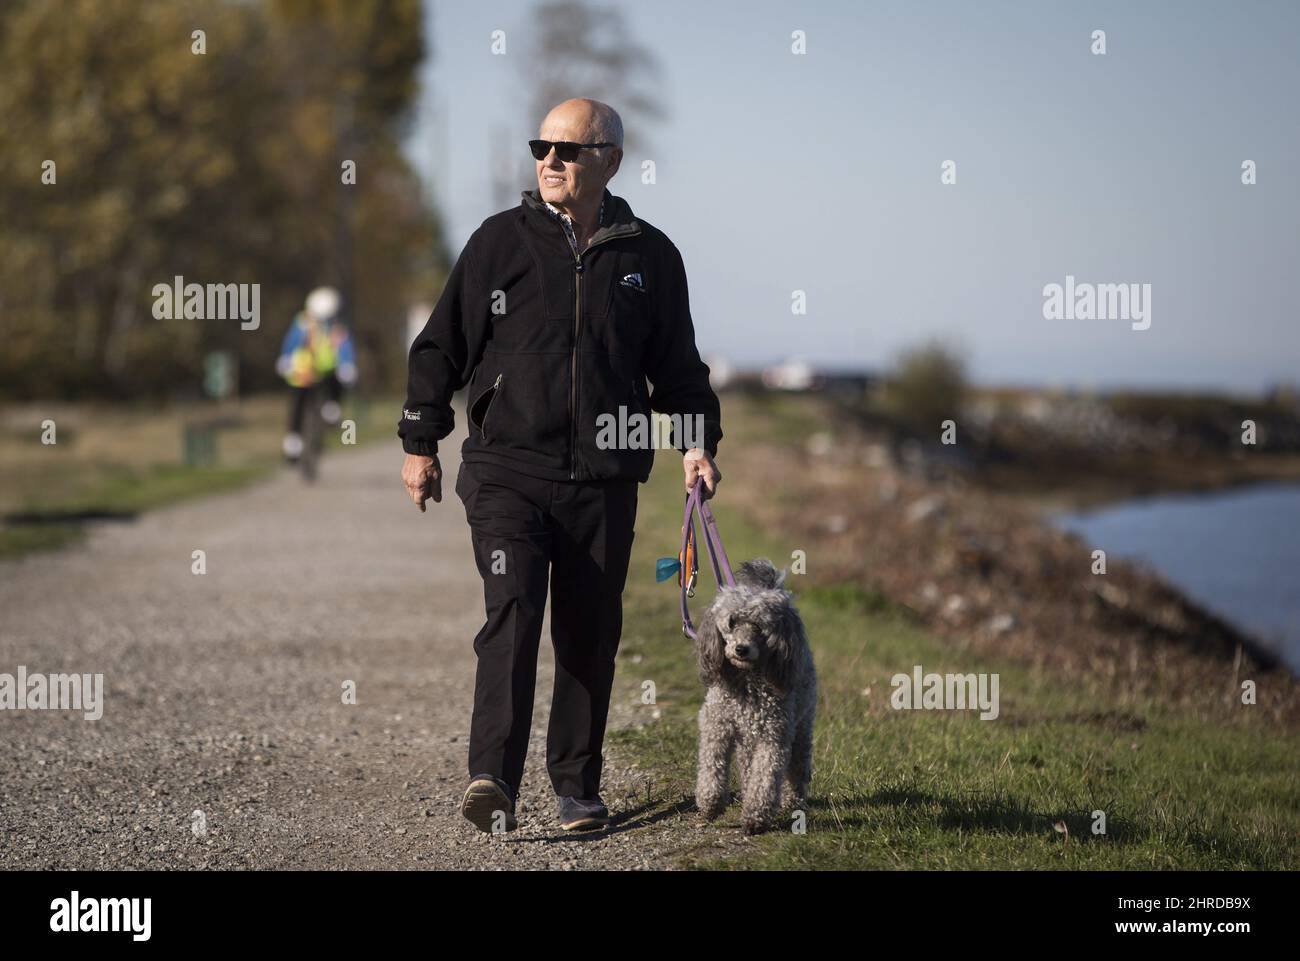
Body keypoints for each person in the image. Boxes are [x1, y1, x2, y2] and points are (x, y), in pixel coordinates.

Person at [399, 98, 723, 833]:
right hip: (507, 468)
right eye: (541, 145)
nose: (549, 159)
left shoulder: (649, 257)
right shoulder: (497, 244)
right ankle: (493, 778)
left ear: (608, 159)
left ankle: (577, 786)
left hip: (604, 479)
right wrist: (421, 441)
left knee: (588, 630)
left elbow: (677, 370)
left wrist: (697, 442)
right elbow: (440, 347)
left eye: (568, 149)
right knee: (513, 612)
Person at [277, 286, 357, 462]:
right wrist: (286, 360)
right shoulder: (302, 323)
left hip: (327, 371)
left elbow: (345, 347)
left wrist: (347, 365)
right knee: (298, 402)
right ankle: (294, 442)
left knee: (336, 383)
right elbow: (291, 344)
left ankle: (331, 409)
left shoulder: (337, 327)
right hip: (303, 371)